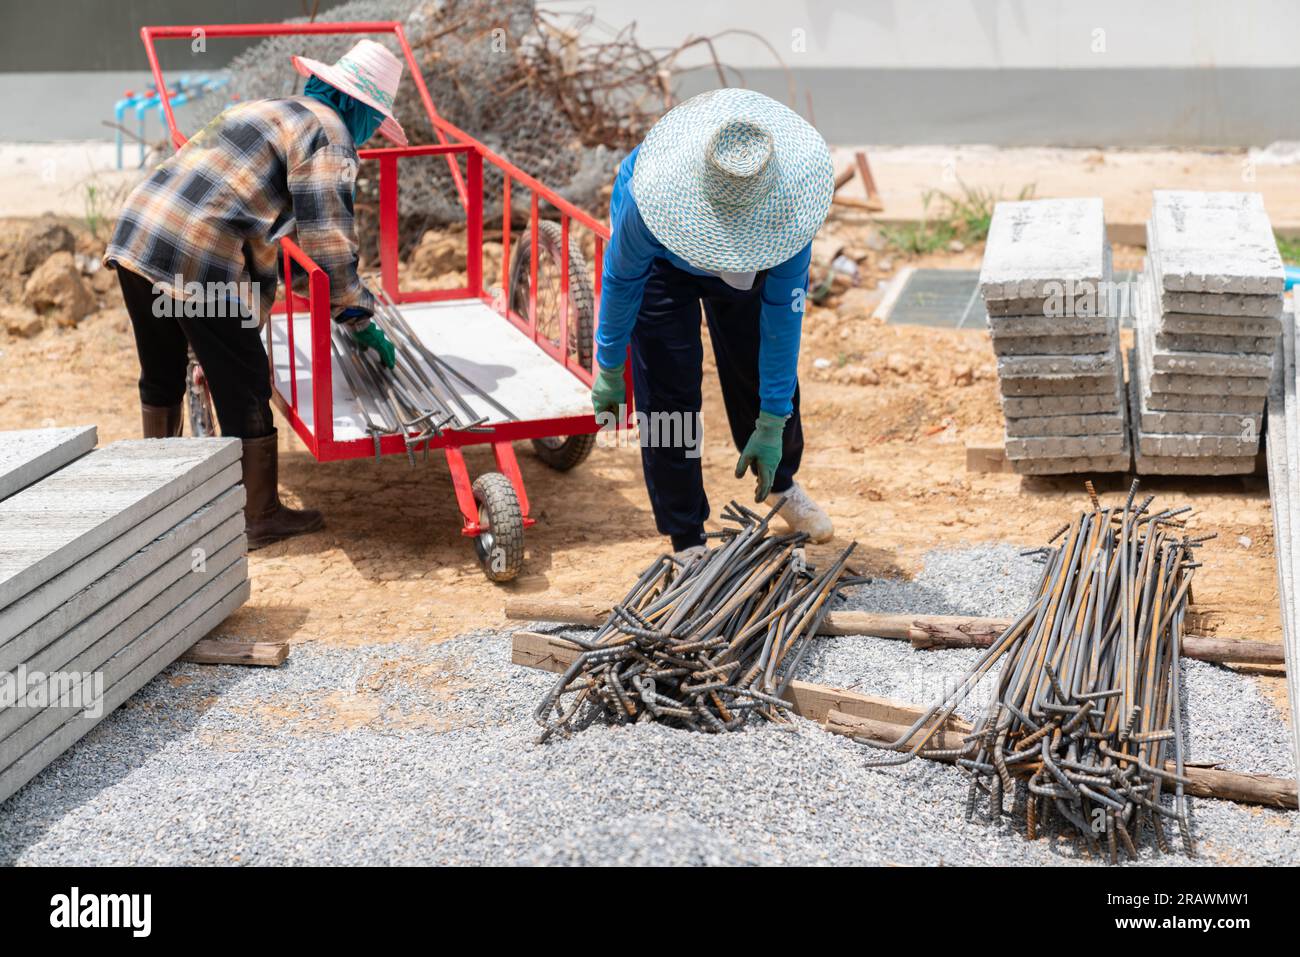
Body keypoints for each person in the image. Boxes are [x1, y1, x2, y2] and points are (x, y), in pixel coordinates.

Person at [104, 39, 403, 548]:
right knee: (244, 376)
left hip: (139, 230)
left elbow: (255, 228)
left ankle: (161, 496)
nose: (371, 135)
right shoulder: (330, 134)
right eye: (374, 122)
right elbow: (328, 242)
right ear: (360, 107)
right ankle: (258, 514)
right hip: (197, 251)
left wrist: (257, 310)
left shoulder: (260, 108)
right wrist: (357, 316)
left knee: (161, 367)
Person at [590, 88, 836, 561]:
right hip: (664, 267)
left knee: (754, 362)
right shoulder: (646, 201)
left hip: (758, 253)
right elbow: (621, 280)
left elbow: (782, 328)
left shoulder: (788, 221)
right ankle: (686, 535)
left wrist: (770, 421)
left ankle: (779, 484)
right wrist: (608, 363)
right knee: (669, 395)